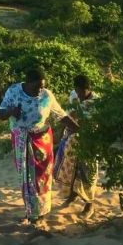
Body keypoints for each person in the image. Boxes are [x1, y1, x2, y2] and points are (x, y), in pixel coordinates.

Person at [0, 69, 79, 226]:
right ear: (27, 83)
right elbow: (0, 114)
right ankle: (30, 211)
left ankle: (41, 213)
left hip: (41, 139)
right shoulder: (14, 91)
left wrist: (79, 130)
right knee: (27, 177)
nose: (39, 90)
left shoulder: (46, 96)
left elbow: (61, 115)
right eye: (36, 87)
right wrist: (11, 111)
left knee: (42, 176)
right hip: (21, 139)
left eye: (42, 87)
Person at [53, 74, 99, 218]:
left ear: (88, 89)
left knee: (87, 171)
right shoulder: (73, 95)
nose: (79, 95)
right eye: (77, 91)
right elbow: (67, 116)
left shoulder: (97, 102)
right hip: (69, 137)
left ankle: (89, 204)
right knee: (66, 166)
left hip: (87, 140)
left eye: (81, 92)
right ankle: (72, 194)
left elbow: (96, 124)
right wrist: (61, 132)